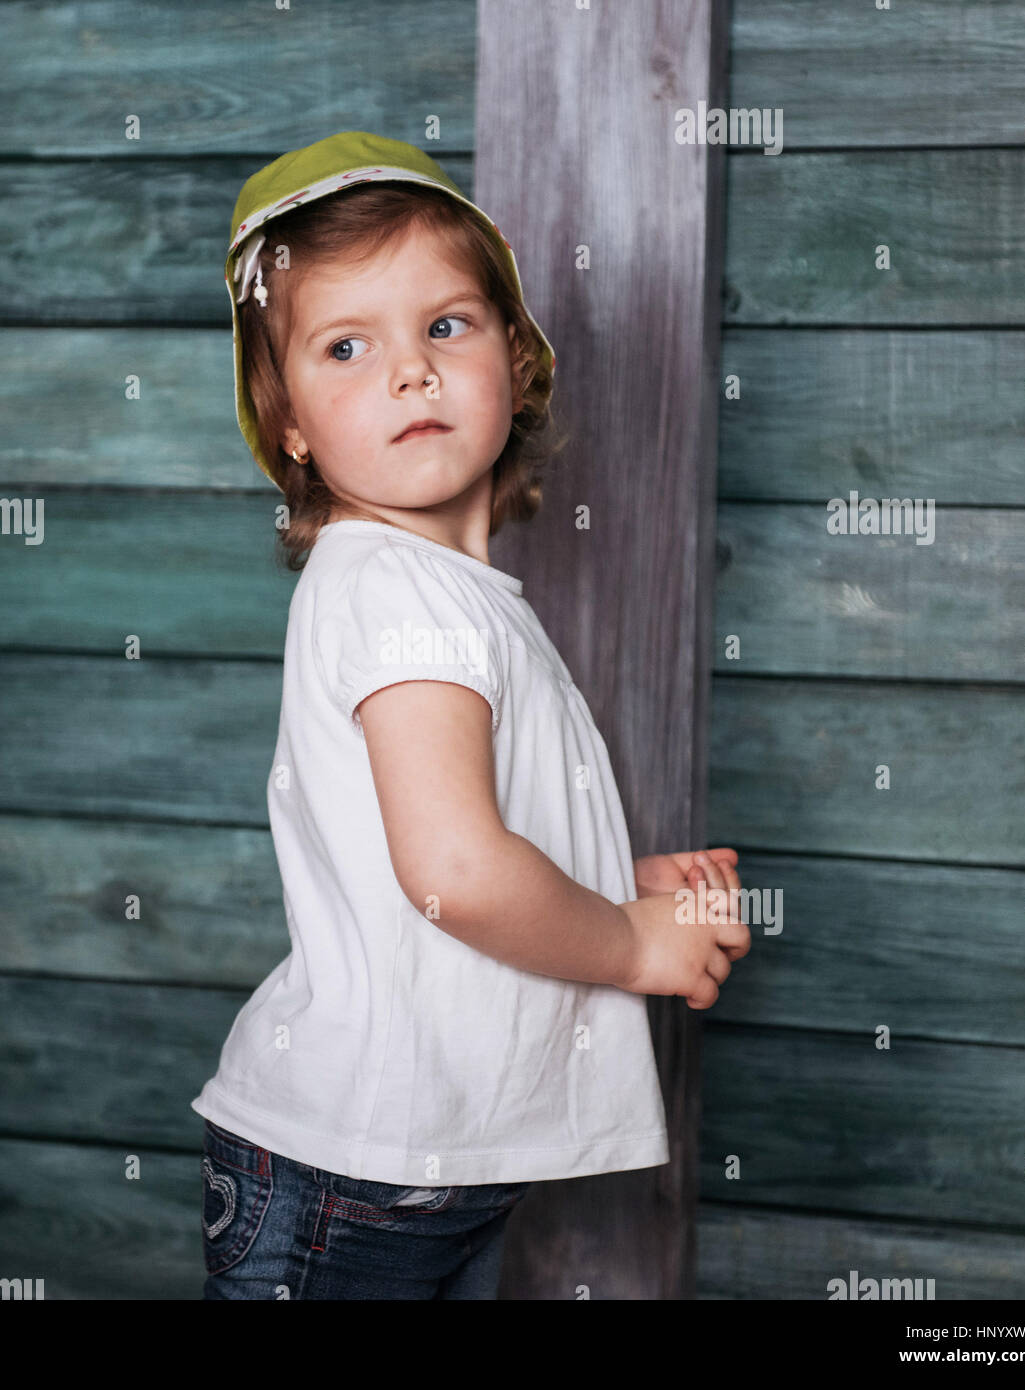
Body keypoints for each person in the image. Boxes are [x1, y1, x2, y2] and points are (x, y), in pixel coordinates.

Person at [191, 130, 750, 1300]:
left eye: (445, 325)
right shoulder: (399, 590)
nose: (409, 371)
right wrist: (631, 942)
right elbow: (454, 864)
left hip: (402, 1164)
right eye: (346, 346)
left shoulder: (428, 587)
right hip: (359, 1179)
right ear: (288, 420)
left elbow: (470, 838)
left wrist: (613, 878)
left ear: (516, 354)